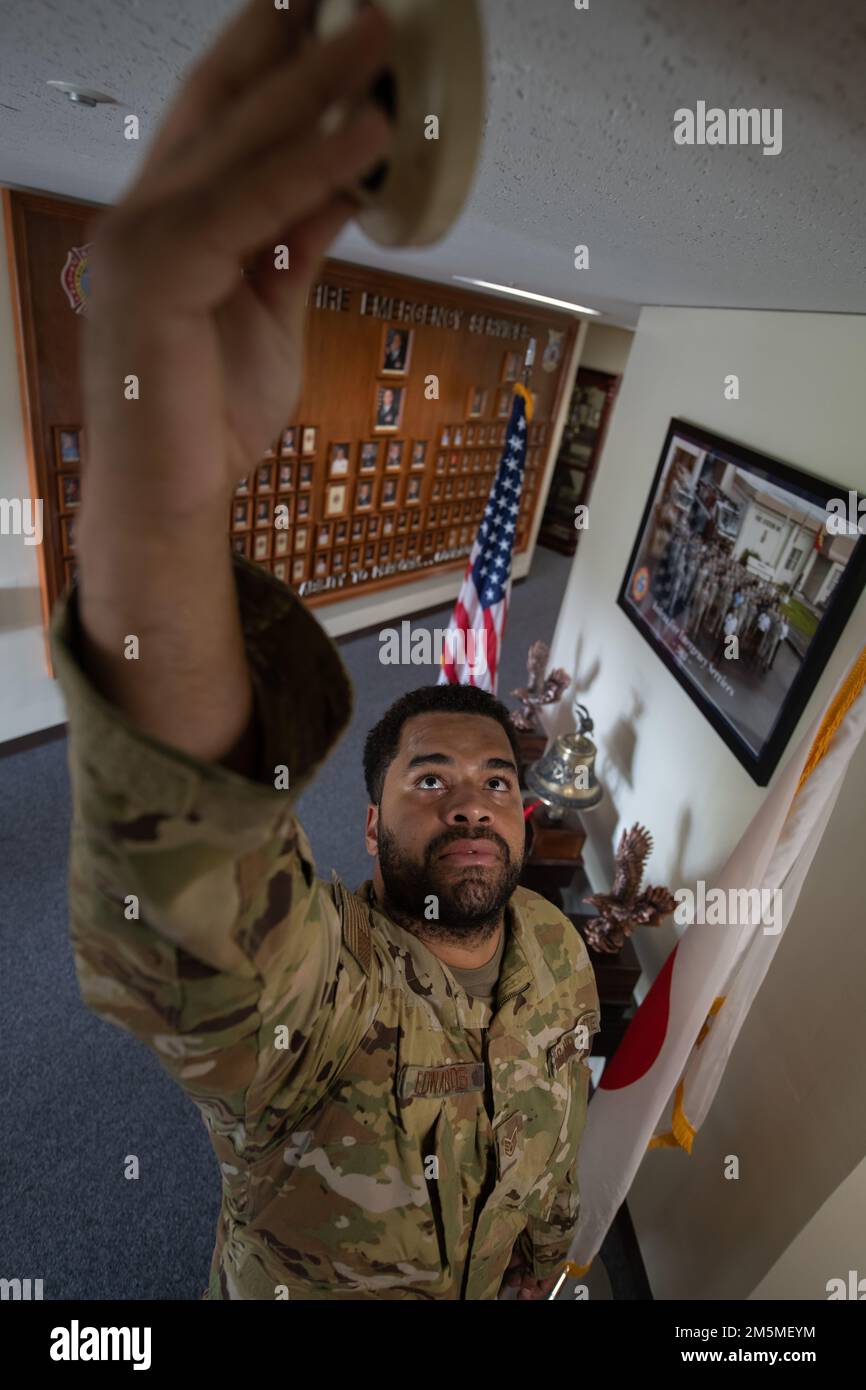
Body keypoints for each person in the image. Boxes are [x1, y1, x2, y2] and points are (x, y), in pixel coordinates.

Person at [48, 0, 598, 1303]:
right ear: (365, 827)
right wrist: (167, 500)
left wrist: (537, 1268)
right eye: (431, 778)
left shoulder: (560, 962)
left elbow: (556, 1166)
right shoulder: (323, 1006)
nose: (473, 795)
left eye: (495, 782)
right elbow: (193, 916)